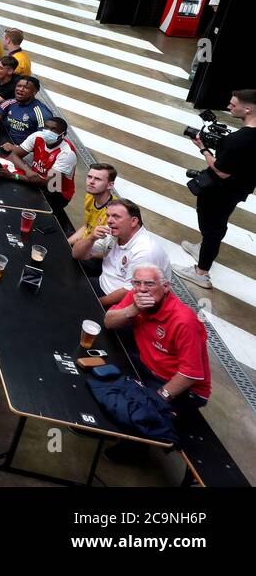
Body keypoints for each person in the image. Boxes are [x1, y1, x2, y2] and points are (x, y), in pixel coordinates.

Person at [104, 265, 210, 424]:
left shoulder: (184, 321)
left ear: (166, 287)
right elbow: (109, 322)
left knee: (140, 415)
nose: (142, 289)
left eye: (149, 284)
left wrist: (158, 398)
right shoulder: (136, 296)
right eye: (137, 283)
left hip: (184, 387)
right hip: (149, 366)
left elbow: (190, 374)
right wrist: (133, 309)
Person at [178, 88, 256, 289]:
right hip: (240, 189)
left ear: (247, 109)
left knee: (212, 228)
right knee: (216, 224)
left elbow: (221, 171)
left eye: (233, 104)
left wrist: (202, 148)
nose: (229, 106)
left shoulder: (239, 140)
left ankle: (201, 272)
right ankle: (203, 248)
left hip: (220, 191)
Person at [78, 199, 173, 308]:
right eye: (108, 216)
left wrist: (96, 303)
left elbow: (129, 291)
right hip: (103, 282)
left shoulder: (144, 252)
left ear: (133, 221)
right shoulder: (113, 231)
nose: (109, 220)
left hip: (122, 301)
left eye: (116, 216)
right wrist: (91, 238)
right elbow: (77, 254)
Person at [4, 115, 78, 218]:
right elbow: (14, 155)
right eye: (46, 127)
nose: (48, 131)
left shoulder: (67, 154)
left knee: (29, 214)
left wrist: (13, 176)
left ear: (63, 134)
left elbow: (47, 183)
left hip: (56, 192)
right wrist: (27, 170)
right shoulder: (37, 136)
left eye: (53, 129)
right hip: (34, 178)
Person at [0, 75, 52, 154]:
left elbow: (44, 142)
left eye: (26, 88)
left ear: (34, 92)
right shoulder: (11, 102)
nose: (20, 89)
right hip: (3, 143)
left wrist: (17, 148)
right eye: (19, 86)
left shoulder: (42, 113)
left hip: (22, 153)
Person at [69, 163, 119, 262]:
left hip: (95, 256)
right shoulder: (90, 196)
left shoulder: (114, 214)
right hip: (84, 243)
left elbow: (108, 253)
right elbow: (87, 226)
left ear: (110, 185)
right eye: (89, 177)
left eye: (97, 179)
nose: (91, 181)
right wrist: (66, 243)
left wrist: (78, 249)